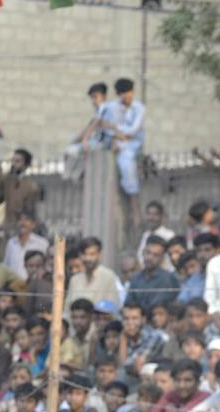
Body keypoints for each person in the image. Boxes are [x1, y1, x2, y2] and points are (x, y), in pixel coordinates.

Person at [100, 78, 145, 226]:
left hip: (132, 144)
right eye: (122, 94)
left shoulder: (139, 108)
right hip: (114, 141)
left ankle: (135, 208)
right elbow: (103, 125)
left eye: (127, 93)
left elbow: (133, 130)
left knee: (127, 165)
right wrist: (115, 134)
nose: (125, 97)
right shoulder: (112, 107)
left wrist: (116, 130)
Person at [125, 235, 180, 313]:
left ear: (162, 258)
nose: (150, 257)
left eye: (156, 255)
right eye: (148, 252)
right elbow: (128, 304)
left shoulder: (169, 279)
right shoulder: (136, 278)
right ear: (143, 253)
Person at [66, 237, 121, 310]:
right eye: (85, 254)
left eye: (92, 254)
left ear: (99, 255)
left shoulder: (108, 276)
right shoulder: (75, 280)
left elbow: (112, 307)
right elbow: (67, 309)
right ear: (80, 256)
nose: (88, 258)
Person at [0, 148, 40, 232]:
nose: (14, 164)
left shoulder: (31, 186)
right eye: (13, 161)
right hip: (7, 226)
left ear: (26, 165)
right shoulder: (7, 180)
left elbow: (31, 211)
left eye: (18, 161)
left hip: (22, 228)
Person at [2, 211, 48, 280]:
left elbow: (46, 267)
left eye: (26, 220)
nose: (22, 223)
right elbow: (6, 266)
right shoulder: (11, 243)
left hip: (34, 285)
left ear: (33, 224)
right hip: (14, 286)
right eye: (20, 220)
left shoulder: (42, 243)